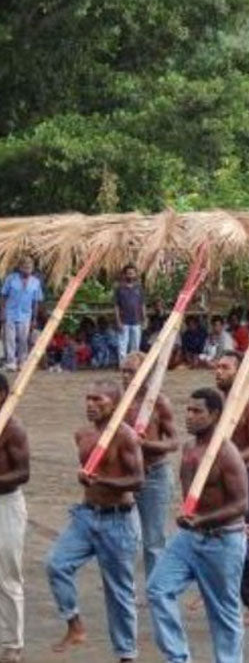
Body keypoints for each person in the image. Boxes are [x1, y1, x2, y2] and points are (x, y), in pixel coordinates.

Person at [147, 388, 249, 663]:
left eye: (197, 411)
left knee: (223, 613)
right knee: (158, 588)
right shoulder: (190, 447)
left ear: (214, 414)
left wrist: (202, 519)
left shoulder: (226, 453)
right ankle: (178, 658)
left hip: (222, 540)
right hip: (189, 538)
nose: (189, 416)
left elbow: (241, 505)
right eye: (188, 410)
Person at [46, 380, 143, 659]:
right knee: (56, 564)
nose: (90, 405)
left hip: (118, 520)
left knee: (119, 592)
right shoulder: (83, 434)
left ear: (114, 404)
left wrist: (103, 480)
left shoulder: (126, 436)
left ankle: (126, 654)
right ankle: (74, 625)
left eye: (98, 400)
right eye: (88, 399)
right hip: (86, 515)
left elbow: (137, 480)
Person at [214, 351, 249, 626]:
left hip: (245, 479)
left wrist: (230, 461)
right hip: (216, 480)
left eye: (225, 367)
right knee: (217, 537)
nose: (218, 371)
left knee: (248, 540)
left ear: (239, 372)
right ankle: (225, 595)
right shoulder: (214, 404)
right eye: (217, 366)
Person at [120, 352, 178, 580]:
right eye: (123, 371)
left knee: (153, 539)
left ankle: (156, 590)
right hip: (126, 476)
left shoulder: (158, 402)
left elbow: (174, 442)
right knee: (127, 536)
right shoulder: (118, 402)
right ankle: (126, 589)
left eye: (130, 372)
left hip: (155, 476)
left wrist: (145, 444)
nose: (125, 376)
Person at [0, 374, 29, 663]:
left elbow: (22, 473)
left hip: (6, 504)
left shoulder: (13, 428)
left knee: (7, 575)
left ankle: (12, 643)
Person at [1, 257, 43, 372]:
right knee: (9, 339)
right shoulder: (11, 279)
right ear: (20, 268)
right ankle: (11, 362)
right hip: (10, 312)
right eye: (25, 267)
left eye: (29, 267)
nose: (27, 270)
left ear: (32, 268)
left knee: (23, 339)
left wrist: (34, 319)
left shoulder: (36, 282)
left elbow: (36, 302)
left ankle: (22, 362)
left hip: (26, 314)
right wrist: (2, 313)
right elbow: (3, 296)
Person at [114, 265, 145, 365]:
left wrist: (144, 318)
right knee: (122, 345)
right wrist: (118, 320)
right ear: (124, 275)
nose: (130, 275)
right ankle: (122, 365)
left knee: (135, 345)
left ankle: (133, 365)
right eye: (128, 273)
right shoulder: (119, 289)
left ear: (135, 274)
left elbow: (142, 304)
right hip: (124, 321)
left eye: (132, 273)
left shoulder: (139, 288)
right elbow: (117, 306)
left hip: (136, 320)